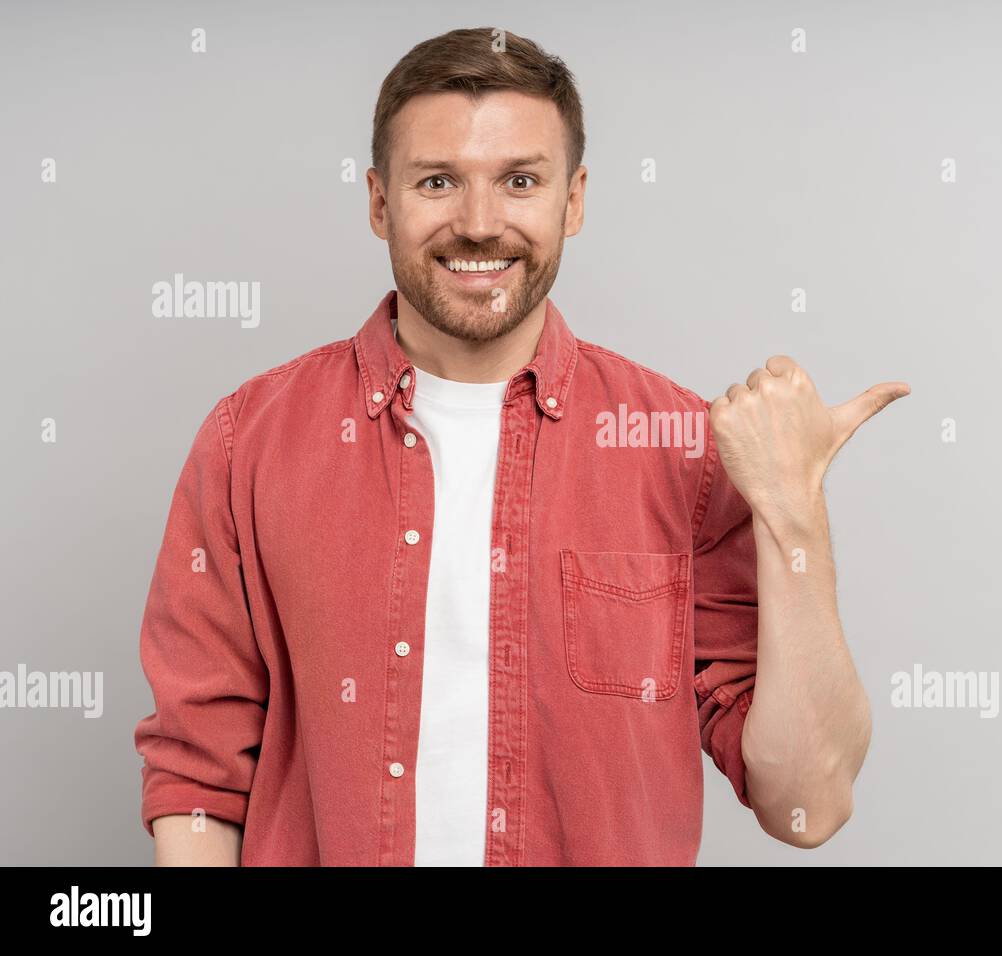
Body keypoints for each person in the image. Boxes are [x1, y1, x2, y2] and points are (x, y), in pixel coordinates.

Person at [134, 26, 909, 866]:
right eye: (438, 181)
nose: (478, 224)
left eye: (519, 181)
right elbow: (198, 775)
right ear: (380, 202)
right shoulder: (249, 442)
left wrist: (794, 512)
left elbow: (809, 802)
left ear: (572, 201)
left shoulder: (680, 450)